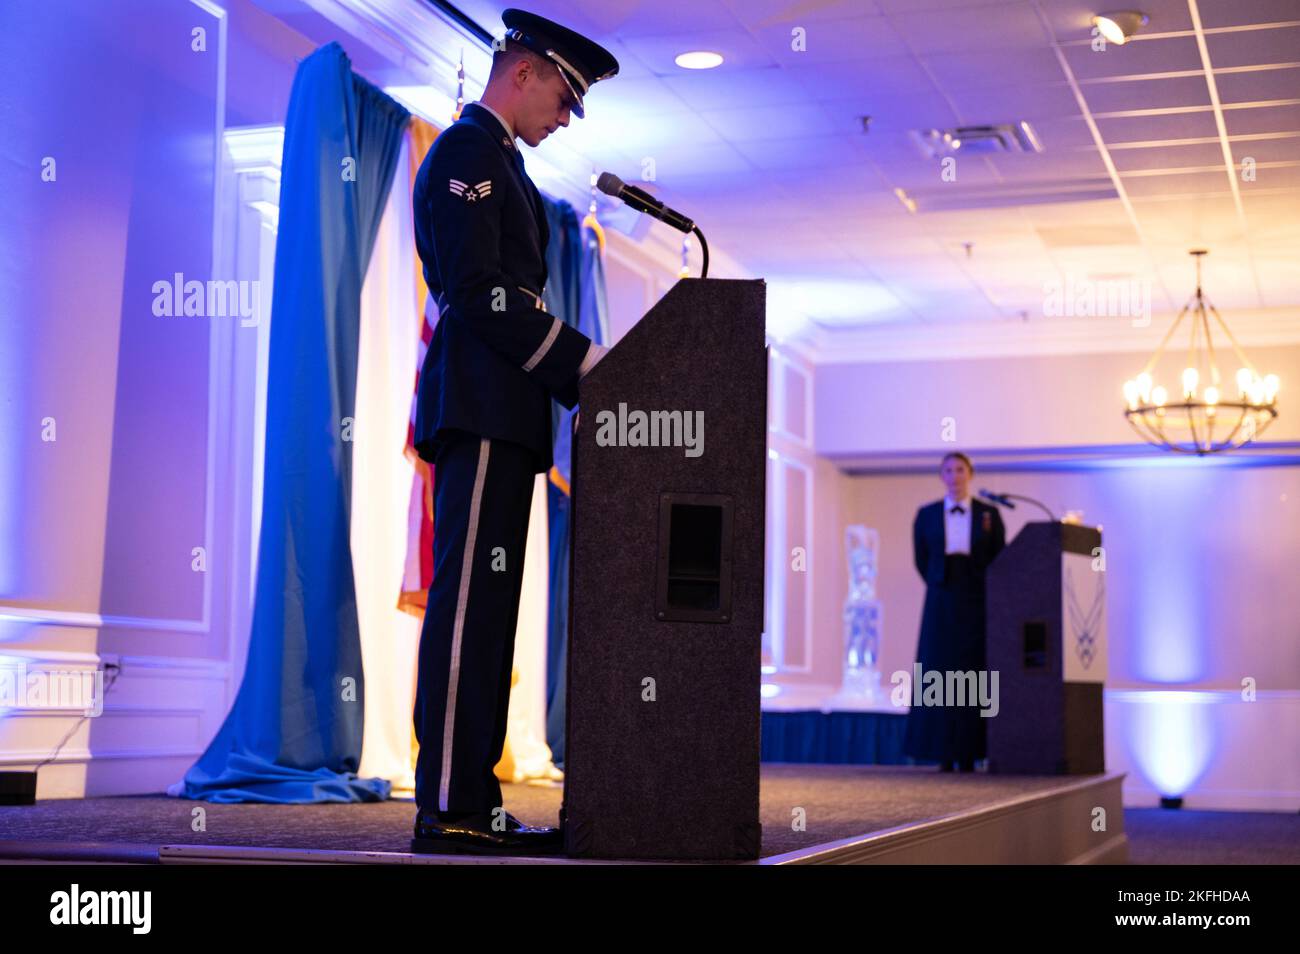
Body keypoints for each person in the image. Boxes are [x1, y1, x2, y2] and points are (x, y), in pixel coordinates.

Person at [408, 8, 618, 855]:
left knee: (489, 615)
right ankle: (452, 807)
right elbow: (479, 291)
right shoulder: (467, 156)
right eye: (564, 97)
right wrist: (581, 362)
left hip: (506, 417)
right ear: (524, 71)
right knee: (468, 613)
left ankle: (473, 798)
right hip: (483, 412)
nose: (564, 118)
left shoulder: (502, 166)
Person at [904, 452, 1006, 773]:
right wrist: (940, 582)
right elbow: (921, 559)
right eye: (948, 470)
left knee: (973, 670)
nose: (954, 476)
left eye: (960, 470)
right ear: (941, 476)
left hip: (977, 597)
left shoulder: (990, 514)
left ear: (970, 474)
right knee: (939, 670)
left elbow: (1000, 557)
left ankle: (971, 752)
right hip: (941, 598)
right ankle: (942, 752)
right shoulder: (927, 514)